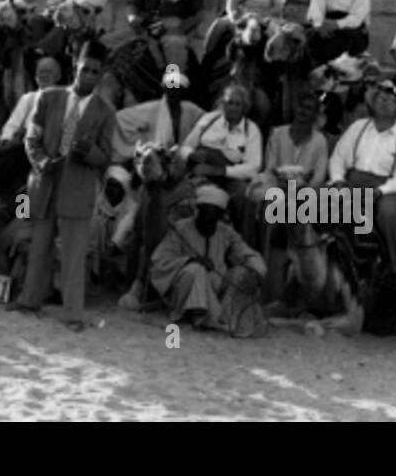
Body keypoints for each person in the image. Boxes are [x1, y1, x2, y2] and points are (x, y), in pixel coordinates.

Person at [7, 41, 117, 331]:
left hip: (78, 190)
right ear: (75, 68)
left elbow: (107, 158)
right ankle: (29, 300)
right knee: (38, 247)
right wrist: (41, 162)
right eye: (84, 69)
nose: (88, 76)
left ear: (101, 74)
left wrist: (89, 152)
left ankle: (72, 314)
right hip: (45, 185)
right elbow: (31, 138)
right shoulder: (48, 98)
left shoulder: (105, 112)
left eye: (95, 71)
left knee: (72, 254)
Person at [326, 78, 396, 277]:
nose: (384, 102)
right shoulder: (358, 126)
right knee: (316, 204)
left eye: (390, 99)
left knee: (388, 214)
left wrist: (380, 191)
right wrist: (338, 180)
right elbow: (338, 157)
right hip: (353, 182)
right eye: (380, 98)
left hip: (389, 188)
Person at [150, 184, 267, 337]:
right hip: (184, 288)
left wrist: (257, 271)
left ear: (220, 216)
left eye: (214, 214)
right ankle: (198, 315)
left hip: (216, 289)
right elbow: (160, 260)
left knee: (241, 273)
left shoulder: (226, 232)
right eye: (205, 212)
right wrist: (190, 260)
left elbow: (246, 253)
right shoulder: (181, 229)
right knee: (196, 270)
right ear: (198, 210)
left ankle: (220, 316)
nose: (208, 218)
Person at [179, 84, 264, 240]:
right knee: (196, 198)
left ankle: (244, 245)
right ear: (223, 104)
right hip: (201, 171)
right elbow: (184, 147)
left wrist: (222, 171)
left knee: (246, 197)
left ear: (244, 107)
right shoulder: (209, 120)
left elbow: (253, 167)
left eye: (237, 104)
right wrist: (192, 155)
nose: (232, 107)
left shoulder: (251, 130)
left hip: (229, 176)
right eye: (229, 103)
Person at [247, 90, 329, 249]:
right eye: (301, 107)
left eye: (309, 108)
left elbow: (319, 176)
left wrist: (302, 187)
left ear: (315, 115)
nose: (303, 111)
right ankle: (264, 256)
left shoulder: (320, 141)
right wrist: (282, 183)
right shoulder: (277, 134)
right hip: (277, 186)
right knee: (268, 205)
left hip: (306, 190)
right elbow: (270, 167)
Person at [112, 67, 205, 163]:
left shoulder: (190, 109)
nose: (172, 93)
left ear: (182, 91)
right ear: (165, 90)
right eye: (169, 89)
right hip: (159, 158)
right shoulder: (153, 108)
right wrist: (143, 140)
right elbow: (121, 118)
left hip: (184, 158)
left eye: (176, 89)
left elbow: (208, 121)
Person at [89, 164, 139, 289]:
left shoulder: (131, 207)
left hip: (120, 251)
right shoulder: (98, 200)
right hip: (97, 249)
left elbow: (123, 231)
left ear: (124, 189)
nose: (111, 190)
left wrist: (112, 247)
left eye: (116, 187)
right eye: (109, 185)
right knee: (95, 223)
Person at [0, 56, 63, 144]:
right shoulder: (28, 98)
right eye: (41, 72)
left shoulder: (65, 98)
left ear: (58, 76)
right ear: (35, 76)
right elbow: (12, 125)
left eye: (49, 72)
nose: (44, 75)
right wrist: (6, 139)